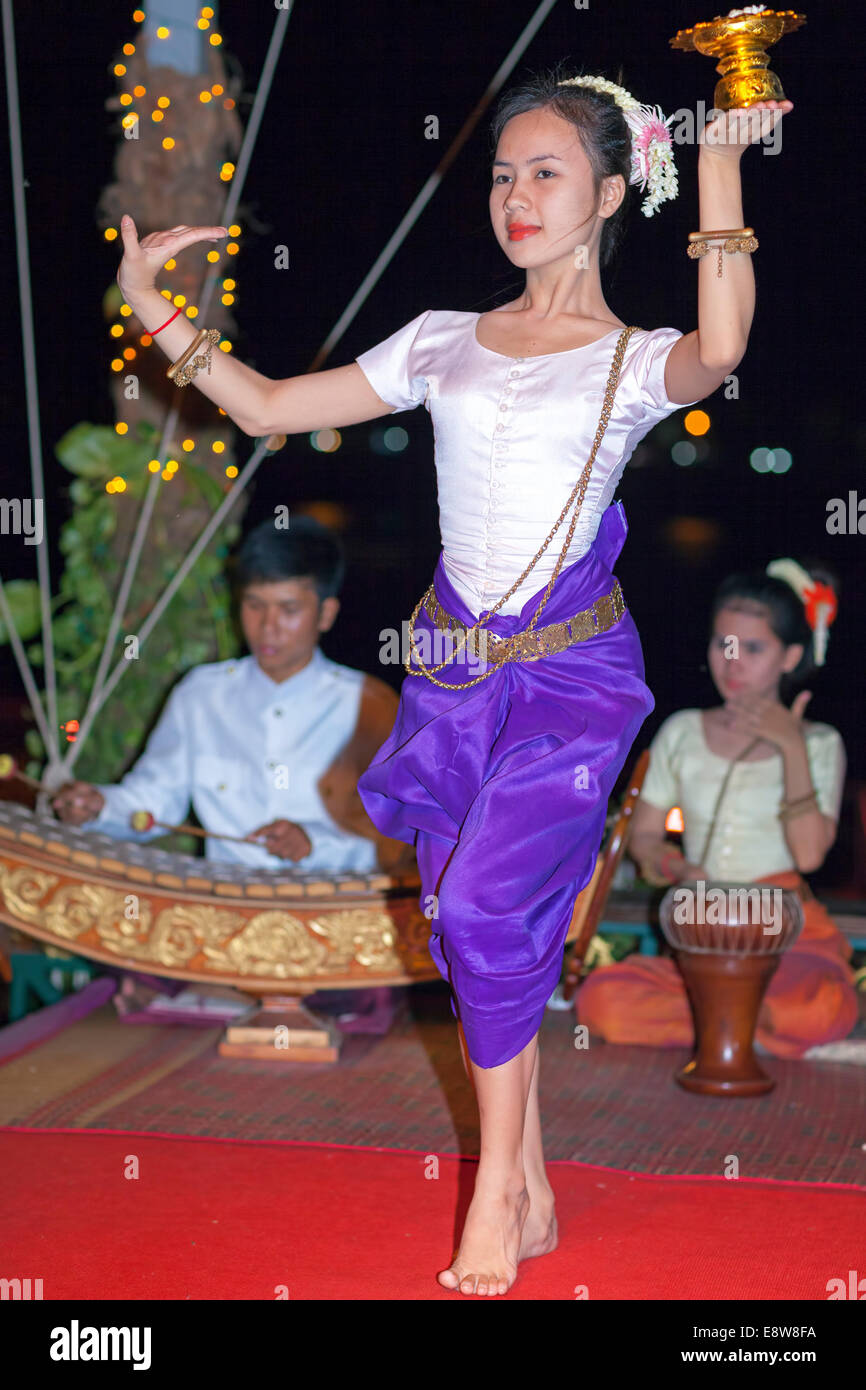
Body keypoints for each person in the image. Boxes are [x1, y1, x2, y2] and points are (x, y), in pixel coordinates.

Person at [113, 61, 791, 1295]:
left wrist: (722, 161)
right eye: (500, 174)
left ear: (604, 195)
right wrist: (149, 307)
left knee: (484, 916)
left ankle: (490, 1196)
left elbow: (725, 340)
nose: (515, 197)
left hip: (571, 683)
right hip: (449, 675)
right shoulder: (438, 341)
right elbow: (265, 407)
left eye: (545, 174)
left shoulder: (633, 360)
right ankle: (528, 1186)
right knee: (480, 929)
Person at [577, 559, 860, 1056]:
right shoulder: (683, 731)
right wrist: (678, 866)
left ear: (791, 656)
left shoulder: (818, 742)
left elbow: (811, 856)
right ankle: (745, 1029)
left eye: (752, 648)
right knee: (602, 1001)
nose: (731, 662)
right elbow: (643, 838)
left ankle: (721, 1026)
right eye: (721, 643)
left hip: (784, 924)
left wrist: (790, 747)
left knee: (823, 1003)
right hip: (703, 920)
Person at [52, 516, 409, 876]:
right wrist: (100, 807)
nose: (268, 626)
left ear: (326, 613)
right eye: (255, 605)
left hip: (334, 909)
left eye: (289, 610)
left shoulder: (369, 706)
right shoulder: (202, 695)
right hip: (223, 905)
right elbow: (155, 798)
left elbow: (399, 836)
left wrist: (314, 842)